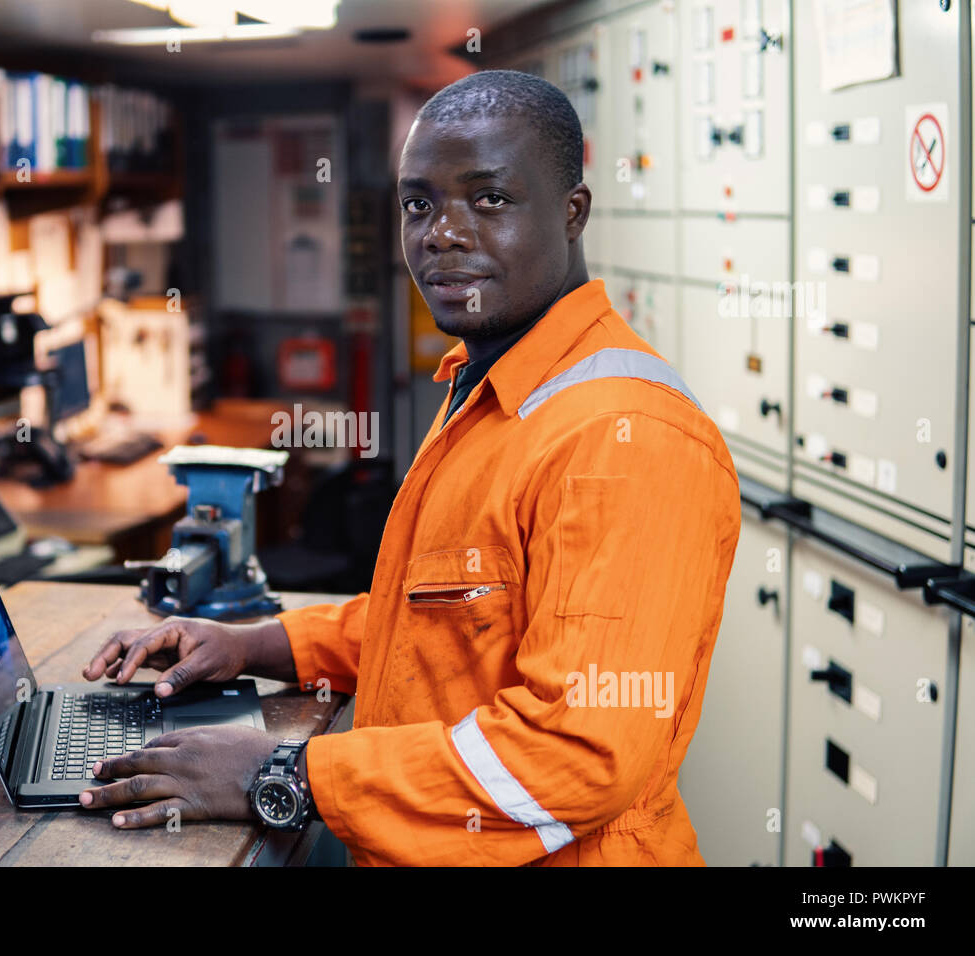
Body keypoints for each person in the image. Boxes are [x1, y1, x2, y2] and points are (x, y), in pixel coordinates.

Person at [77, 70, 741, 866]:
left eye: (489, 200)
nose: (442, 234)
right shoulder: (492, 386)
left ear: (573, 213)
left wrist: (286, 770)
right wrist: (254, 645)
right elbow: (442, 622)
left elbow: (577, 754)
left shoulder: (627, 437)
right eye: (419, 204)